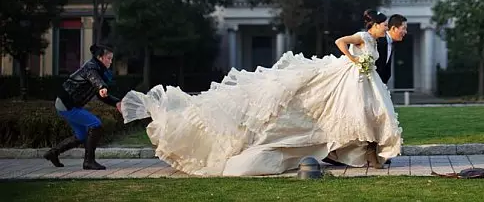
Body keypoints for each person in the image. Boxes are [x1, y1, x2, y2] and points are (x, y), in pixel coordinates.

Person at [120, 9, 402, 176]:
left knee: (366, 115)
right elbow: (340, 42)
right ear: (375, 25)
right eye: (383, 25)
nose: (384, 29)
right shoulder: (364, 37)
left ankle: (369, 155)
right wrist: (355, 61)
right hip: (348, 77)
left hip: (362, 82)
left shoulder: (377, 41)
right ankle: (369, 156)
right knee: (343, 111)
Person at [44, 44, 121, 170]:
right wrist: (101, 86)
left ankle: (53, 153)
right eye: (109, 58)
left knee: (81, 136)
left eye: (112, 59)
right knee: (95, 124)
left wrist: (116, 102)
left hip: (69, 104)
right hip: (66, 104)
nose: (111, 62)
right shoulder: (91, 67)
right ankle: (89, 162)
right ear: (100, 57)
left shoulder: (99, 70)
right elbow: (94, 78)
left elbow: (100, 95)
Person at [375, 14, 408, 85]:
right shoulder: (379, 41)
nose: (406, 32)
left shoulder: (390, 43)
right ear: (393, 28)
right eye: (404, 28)